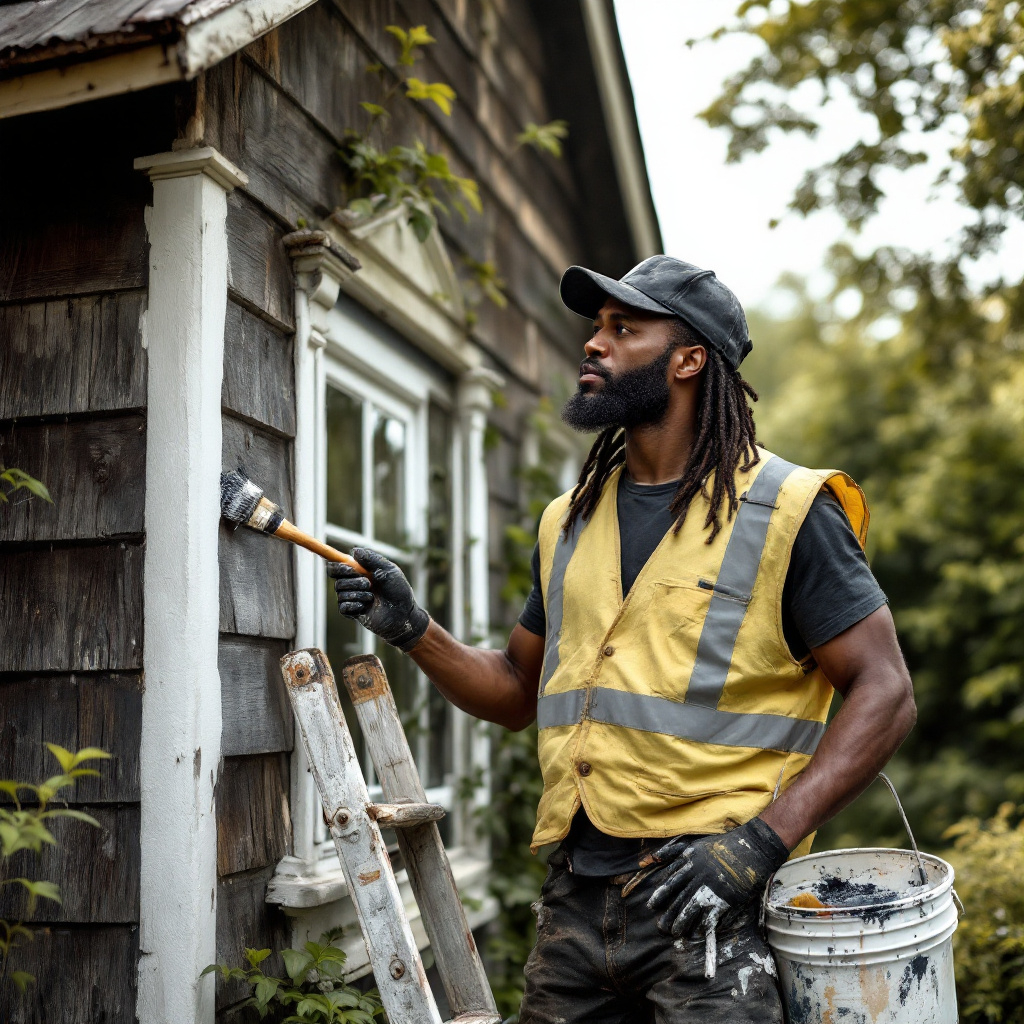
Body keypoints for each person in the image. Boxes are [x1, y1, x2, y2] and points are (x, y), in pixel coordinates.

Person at [327, 255, 917, 1023]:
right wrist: (414, 629)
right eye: (596, 327)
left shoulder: (789, 510)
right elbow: (515, 691)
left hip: (712, 900)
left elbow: (888, 692)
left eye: (624, 328)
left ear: (689, 359)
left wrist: (760, 846)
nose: (594, 345)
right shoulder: (567, 521)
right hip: (577, 900)